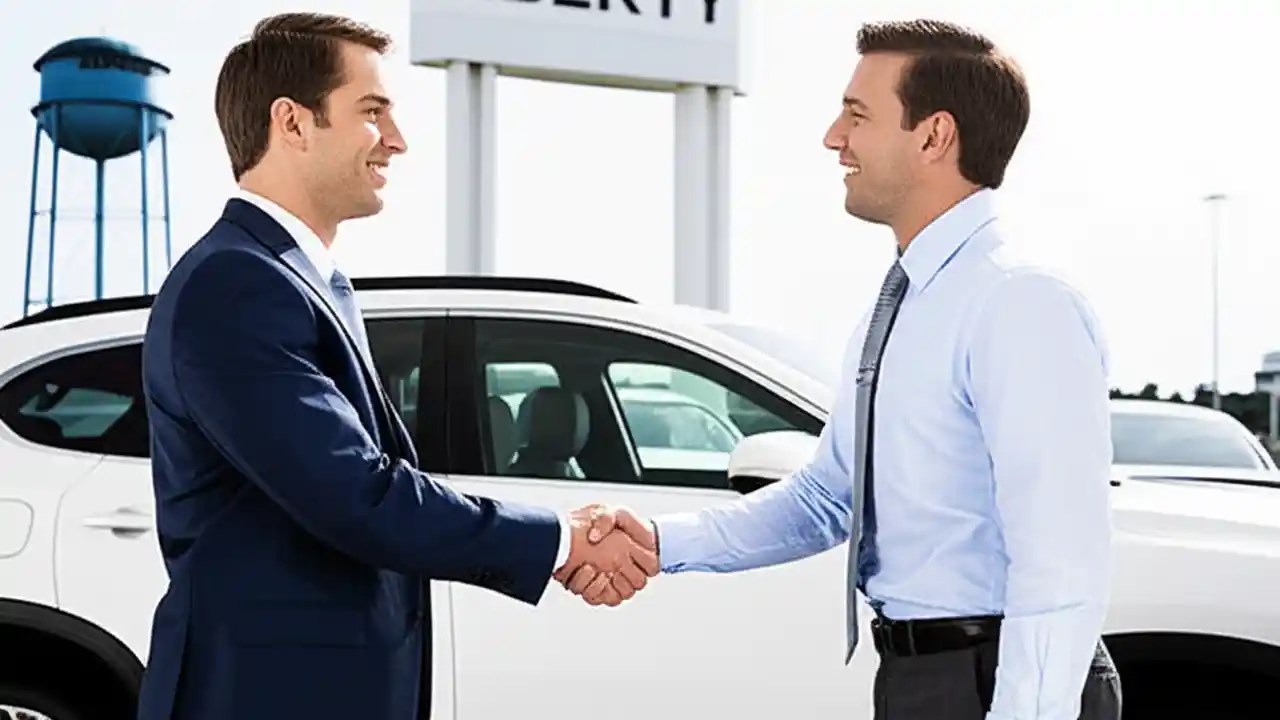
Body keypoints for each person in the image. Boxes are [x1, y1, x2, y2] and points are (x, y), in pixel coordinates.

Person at [571, 18, 1122, 720]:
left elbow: (1061, 561)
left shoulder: (1017, 302)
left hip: (992, 683)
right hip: (920, 679)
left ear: (933, 136)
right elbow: (829, 499)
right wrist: (657, 541)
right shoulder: (901, 304)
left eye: (857, 115)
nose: (835, 137)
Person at [136, 13, 654, 720]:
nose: (399, 141)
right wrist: (560, 539)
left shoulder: (300, 281)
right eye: (373, 112)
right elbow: (355, 495)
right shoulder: (236, 285)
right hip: (266, 694)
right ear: (292, 122)